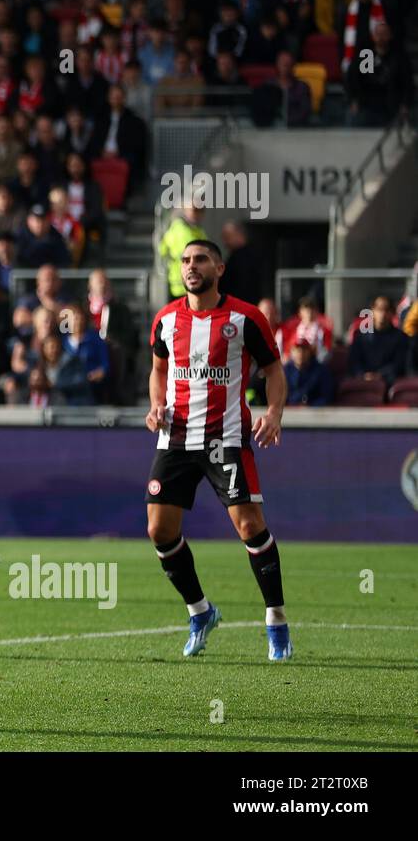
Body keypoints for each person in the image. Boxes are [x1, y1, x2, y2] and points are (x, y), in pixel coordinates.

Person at [144, 239, 292, 661]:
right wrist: (156, 405)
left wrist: (275, 412)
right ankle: (200, 612)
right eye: (186, 260)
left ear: (219, 268)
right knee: (160, 531)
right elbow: (158, 369)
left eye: (200, 259)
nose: (191, 266)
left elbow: (273, 370)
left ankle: (276, 621)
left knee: (249, 526)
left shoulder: (246, 318)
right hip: (174, 438)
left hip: (224, 437)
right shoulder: (166, 319)